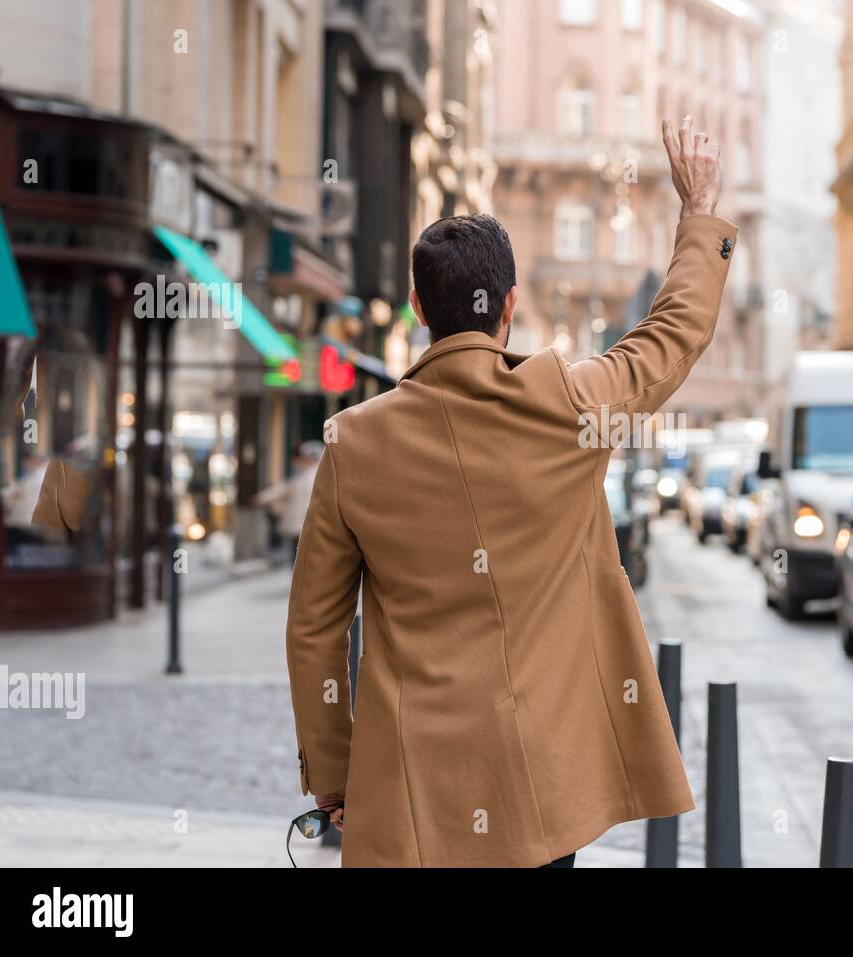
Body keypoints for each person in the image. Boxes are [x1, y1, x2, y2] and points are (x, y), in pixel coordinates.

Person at [286, 116, 734, 867]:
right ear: (512, 303)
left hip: (411, 793)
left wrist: (333, 774)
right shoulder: (570, 402)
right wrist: (697, 216)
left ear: (419, 310)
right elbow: (672, 336)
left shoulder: (354, 442)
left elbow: (314, 628)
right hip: (538, 788)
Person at [256, 442, 324, 565]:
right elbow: (282, 489)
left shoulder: (314, 476)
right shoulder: (301, 476)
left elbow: (282, 489)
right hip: (303, 522)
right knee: (299, 556)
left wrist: (262, 498)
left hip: (308, 522)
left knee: (303, 557)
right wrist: (262, 498)